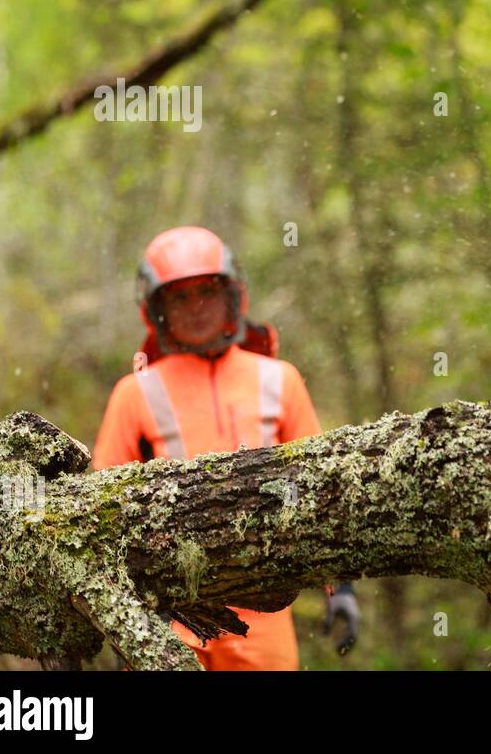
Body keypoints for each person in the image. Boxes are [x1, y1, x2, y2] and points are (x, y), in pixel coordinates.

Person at [92, 226, 359, 669]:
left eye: (207, 292)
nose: (196, 308)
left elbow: (322, 492)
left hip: (265, 608)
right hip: (168, 614)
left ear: (232, 296)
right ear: (158, 309)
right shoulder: (134, 392)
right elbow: (100, 510)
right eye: (180, 297)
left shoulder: (279, 380)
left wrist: (341, 587)